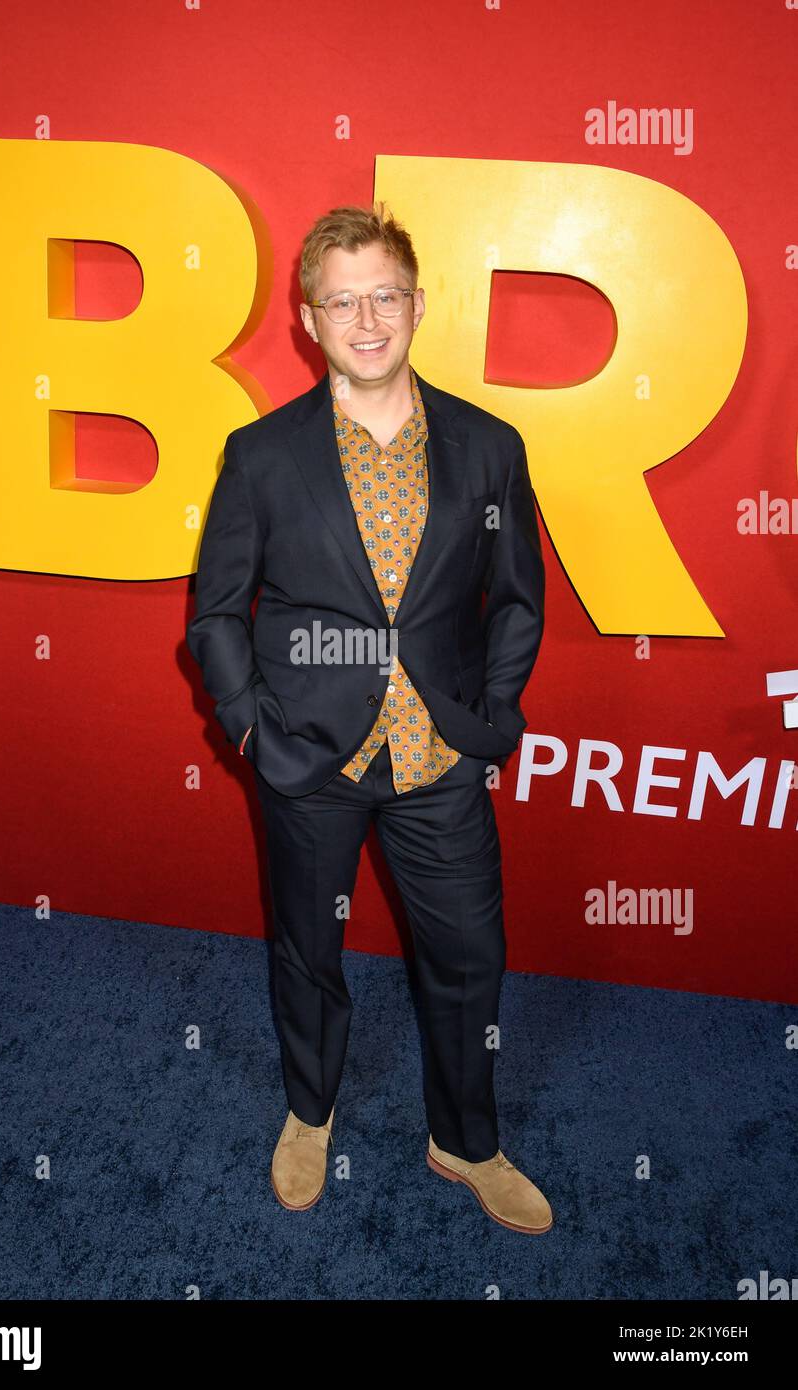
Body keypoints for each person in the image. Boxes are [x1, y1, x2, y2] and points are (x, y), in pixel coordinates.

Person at [187, 201, 550, 1233]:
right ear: (308, 319)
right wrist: (251, 726)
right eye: (341, 300)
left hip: (438, 754)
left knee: (468, 955)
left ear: (417, 304)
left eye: (383, 295)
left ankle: (464, 1138)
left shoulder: (488, 446)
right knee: (308, 949)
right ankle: (310, 1111)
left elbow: (519, 597)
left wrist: (489, 709)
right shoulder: (260, 456)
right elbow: (215, 610)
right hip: (308, 758)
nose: (366, 319)